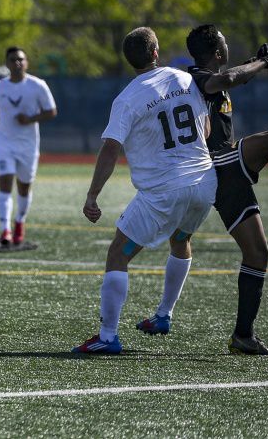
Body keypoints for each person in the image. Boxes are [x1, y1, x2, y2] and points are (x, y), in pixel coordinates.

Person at [135, 25, 268, 356]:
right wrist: (262, 63)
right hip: (217, 163)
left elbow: (228, 79)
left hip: (228, 176)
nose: (228, 44)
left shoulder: (209, 75)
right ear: (218, 51)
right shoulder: (198, 78)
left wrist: (252, 63)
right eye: (224, 41)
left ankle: (243, 336)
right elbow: (227, 80)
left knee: (257, 253)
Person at [73, 27, 216, 355]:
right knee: (180, 239)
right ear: (156, 52)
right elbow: (205, 128)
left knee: (117, 254)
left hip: (164, 191)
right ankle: (163, 315)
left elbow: (111, 149)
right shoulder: (185, 79)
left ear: (129, 60)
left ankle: (107, 337)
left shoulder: (127, 98)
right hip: (204, 183)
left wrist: (92, 195)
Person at [0, 46, 57, 246]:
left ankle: (20, 221)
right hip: (4, 142)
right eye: (13, 60)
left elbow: (51, 111)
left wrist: (30, 118)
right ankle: (5, 229)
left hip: (28, 145)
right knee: (5, 183)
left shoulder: (37, 85)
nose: (17, 63)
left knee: (24, 187)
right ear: (6, 64)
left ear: (26, 62)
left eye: (21, 59)